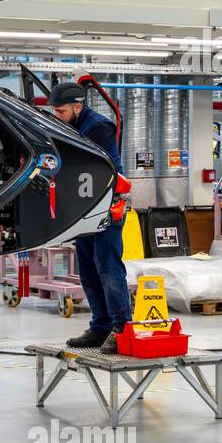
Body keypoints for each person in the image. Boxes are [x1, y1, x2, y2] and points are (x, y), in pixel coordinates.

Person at [47, 80, 132, 354]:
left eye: (60, 111)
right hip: (83, 211)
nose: (56, 116)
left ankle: (122, 329)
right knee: (87, 270)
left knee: (107, 269)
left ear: (78, 106)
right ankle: (100, 327)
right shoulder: (71, 125)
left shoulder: (99, 128)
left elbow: (78, 161)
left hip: (106, 209)